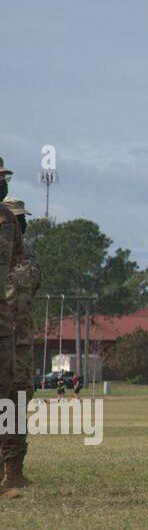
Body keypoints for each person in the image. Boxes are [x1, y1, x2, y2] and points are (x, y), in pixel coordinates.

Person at [0, 163, 27, 499]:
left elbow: (17, 264)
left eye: (4, 180)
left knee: (5, 399)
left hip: (3, 325)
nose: (3, 185)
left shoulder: (8, 221)